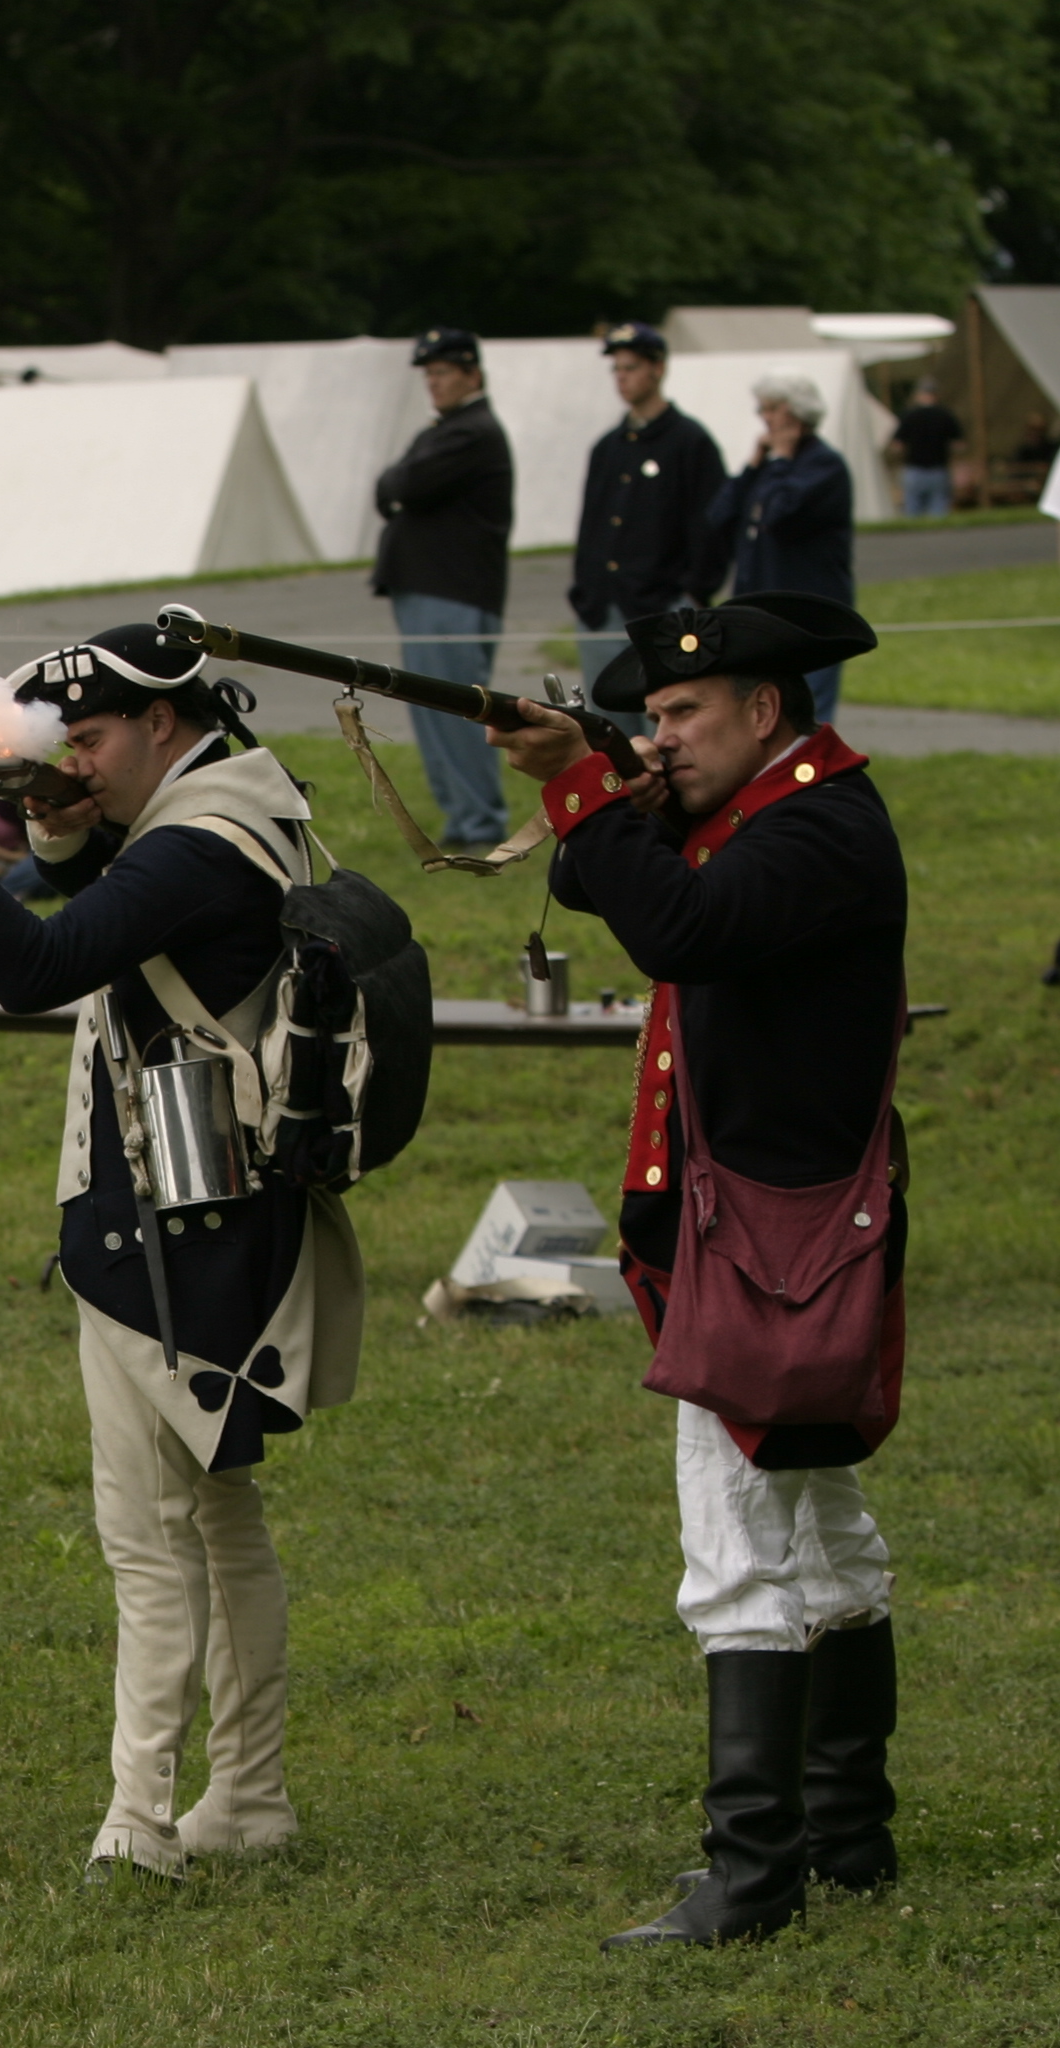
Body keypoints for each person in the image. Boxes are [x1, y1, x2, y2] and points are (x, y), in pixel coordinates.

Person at [0, 624, 365, 1881]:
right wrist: (56, 811)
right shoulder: (237, 808)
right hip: (205, 1212)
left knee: (148, 1529)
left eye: (88, 738)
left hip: (171, 1223)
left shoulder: (198, 842)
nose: (72, 758)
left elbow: (37, 964)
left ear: (163, 724)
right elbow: (97, 907)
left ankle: (140, 1820)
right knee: (213, 1513)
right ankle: (246, 1791)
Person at [489, 592, 906, 1952]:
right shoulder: (769, 811)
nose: (662, 736)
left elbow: (676, 932)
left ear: (766, 713)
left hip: (772, 1231)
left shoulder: (820, 830)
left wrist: (586, 789)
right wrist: (606, 783)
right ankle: (845, 1834)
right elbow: (585, 881)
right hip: (771, 1220)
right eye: (652, 717)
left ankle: (753, 1871)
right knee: (825, 1529)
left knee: (733, 1542)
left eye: (683, 715)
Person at [373, 327, 515, 851]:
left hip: (452, 592)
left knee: (456, 712)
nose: (433, 383)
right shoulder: (448, 430)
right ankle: (464, 818)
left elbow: (401, 484)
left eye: (442, 373)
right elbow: (395, 483)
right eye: (428, 375)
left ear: (471, 375)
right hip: (432, 589)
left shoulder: (471, 431)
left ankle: (480, 821)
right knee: (434, 714)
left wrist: (394, 486)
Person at [570, 322, 726, 697]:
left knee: (663, 726)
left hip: (660, 609)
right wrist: (585, 592)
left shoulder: (690, 441)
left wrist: (693, 595)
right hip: (603, 609)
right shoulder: (608, 447)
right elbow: (591, 526)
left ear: (658, 368)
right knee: (607, 731)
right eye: (617, 369)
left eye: (632, 368)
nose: (622, 378)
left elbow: (711, 524)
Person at [706, 374, 856, 725]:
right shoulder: (771, 469)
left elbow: (779, 514)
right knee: (764, 715)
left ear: (798, 413)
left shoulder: (824, 466)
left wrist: (784, 459)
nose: (766, 419)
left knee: (807, 714)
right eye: (763, 410)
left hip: (809, 617)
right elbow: (718, 516)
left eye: (774, 409)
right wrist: (754, 465)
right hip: (760, 613)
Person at [889, 377, 963, 519]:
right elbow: (958, 445)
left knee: (912, 513)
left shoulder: (909, 415)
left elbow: (897, 445)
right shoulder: (945, 415)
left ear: (919, 395)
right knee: (938, 512)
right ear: (936, 395)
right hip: (938, 469)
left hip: (914, 469)